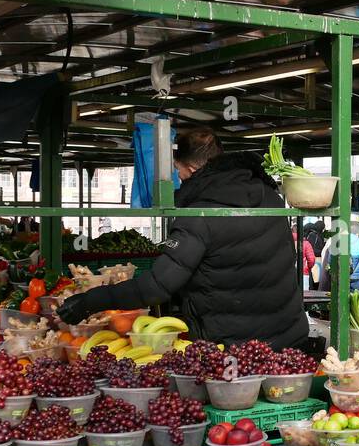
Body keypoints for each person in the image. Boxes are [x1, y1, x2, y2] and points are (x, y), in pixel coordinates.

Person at [56, 128, 307, 349]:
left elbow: (156, 287)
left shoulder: (198, 214)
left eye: (178, 171)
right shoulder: (270, 196)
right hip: (288, 338)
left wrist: (91, 301)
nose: (179, 179)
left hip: (236, 349)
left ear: (191, 168)